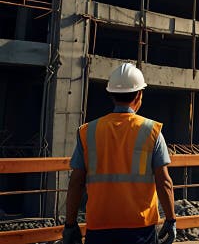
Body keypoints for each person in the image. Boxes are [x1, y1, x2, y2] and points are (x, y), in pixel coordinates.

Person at [62, 62, 177, 244]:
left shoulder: (88, 131)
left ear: (112, 95)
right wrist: (171, 220)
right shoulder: (151, 131)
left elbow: (76, 182)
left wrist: (70, 224)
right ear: (139, 95)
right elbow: (164, 181)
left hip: (99, 227)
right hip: (140, 228)